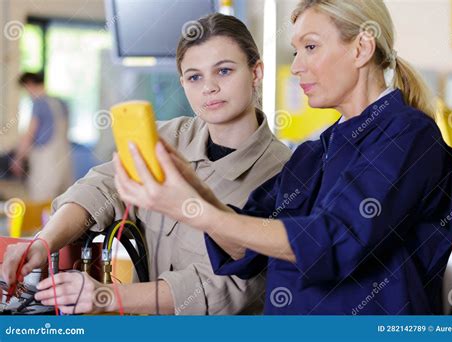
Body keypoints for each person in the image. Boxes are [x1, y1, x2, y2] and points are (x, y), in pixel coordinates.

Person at [109, 0, 452, 315]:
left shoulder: (411, 137)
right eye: (296, 51)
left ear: (361, 48)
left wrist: (191, 208)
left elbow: (335, 241)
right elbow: (243, 249)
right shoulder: (312, 155)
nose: (296, 67)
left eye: (311, 47)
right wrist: (191, 187)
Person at [2, 13, 291, 315]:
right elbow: (102, 187)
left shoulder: (286, 173)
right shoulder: (164, 138)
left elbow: (231, 287)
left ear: (256, 72)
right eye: (195, 77)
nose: (209, 87)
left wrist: (107, 295)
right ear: (182, 82)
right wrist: (42, 243)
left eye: (224, 71)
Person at [12, 72, 72, 201]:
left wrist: (18, 158)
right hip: (64, 156)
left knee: (41, 197)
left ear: (30, 84)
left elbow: (30, 133)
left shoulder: (38, 104)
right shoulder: (60, 102)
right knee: (61, 199)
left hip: (45, 158)